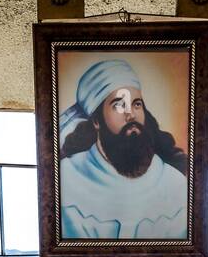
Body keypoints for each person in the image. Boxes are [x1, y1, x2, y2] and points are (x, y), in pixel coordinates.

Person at [58, 57, 189, 239]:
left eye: (136, 104)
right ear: (96, 121)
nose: (131, 115)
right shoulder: (67, 178)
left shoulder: (174, 183)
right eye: (119, 105)